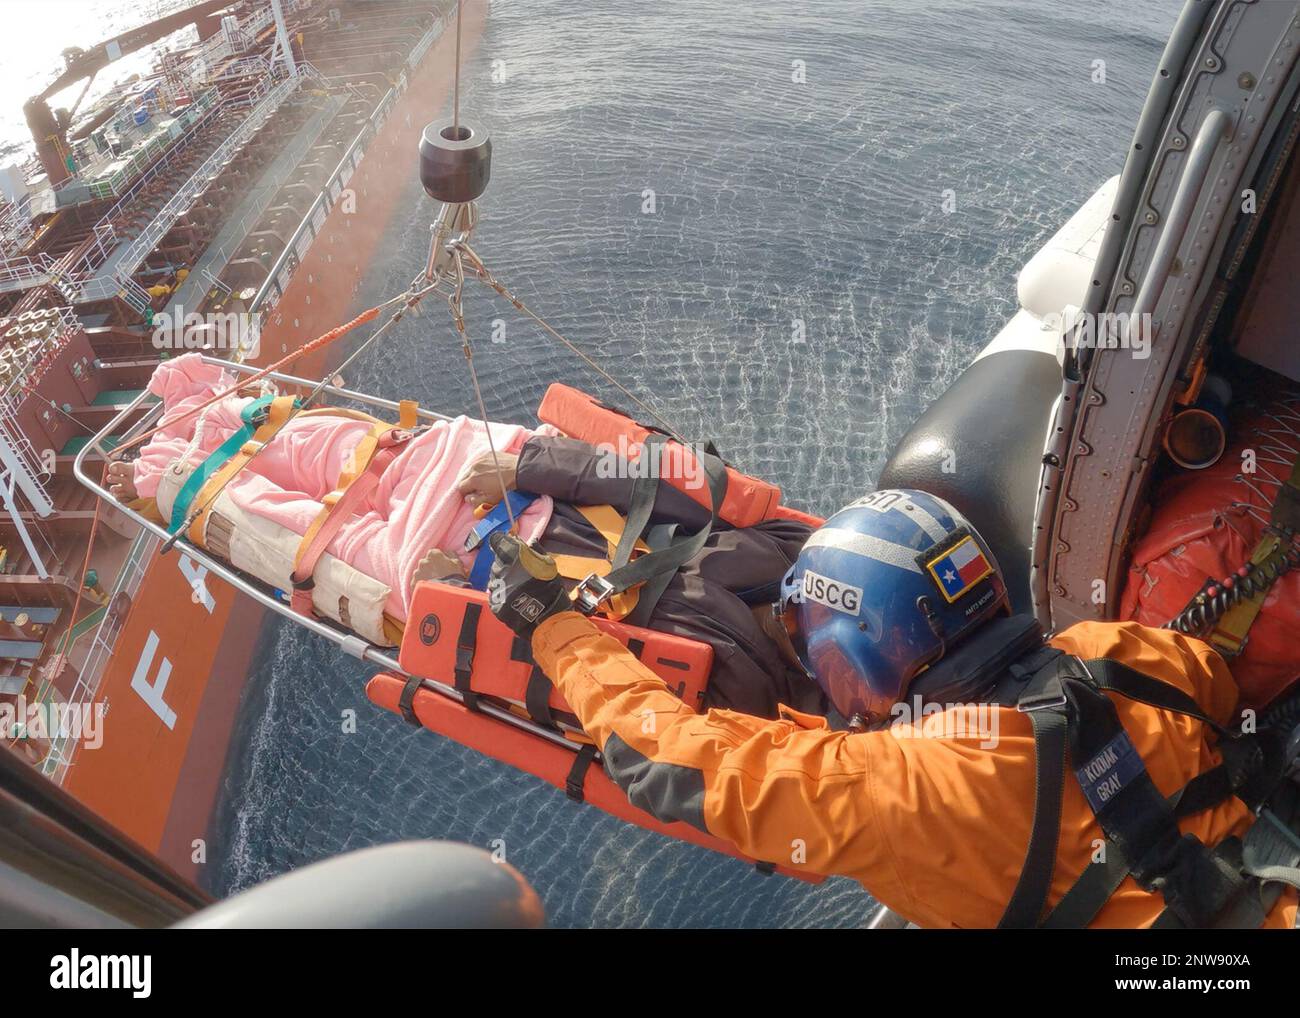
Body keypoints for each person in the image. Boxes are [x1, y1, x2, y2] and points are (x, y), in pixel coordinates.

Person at [485, 488, 1300, 929]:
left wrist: (555, 630)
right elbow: (1217, 711)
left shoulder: (888, 789)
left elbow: (668, 760)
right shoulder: (1128, 650)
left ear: (855, 649)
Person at [111, 353, 820, 716]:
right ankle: (208, 406)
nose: (809, 605)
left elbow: (565, 681)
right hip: (511, 483)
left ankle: (169, 478)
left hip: (456, 573)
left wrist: (450, 605)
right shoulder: (784, 552)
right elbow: (658, 481)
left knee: (296, 530)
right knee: (348, 449)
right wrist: (528, 462)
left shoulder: (733, 690)